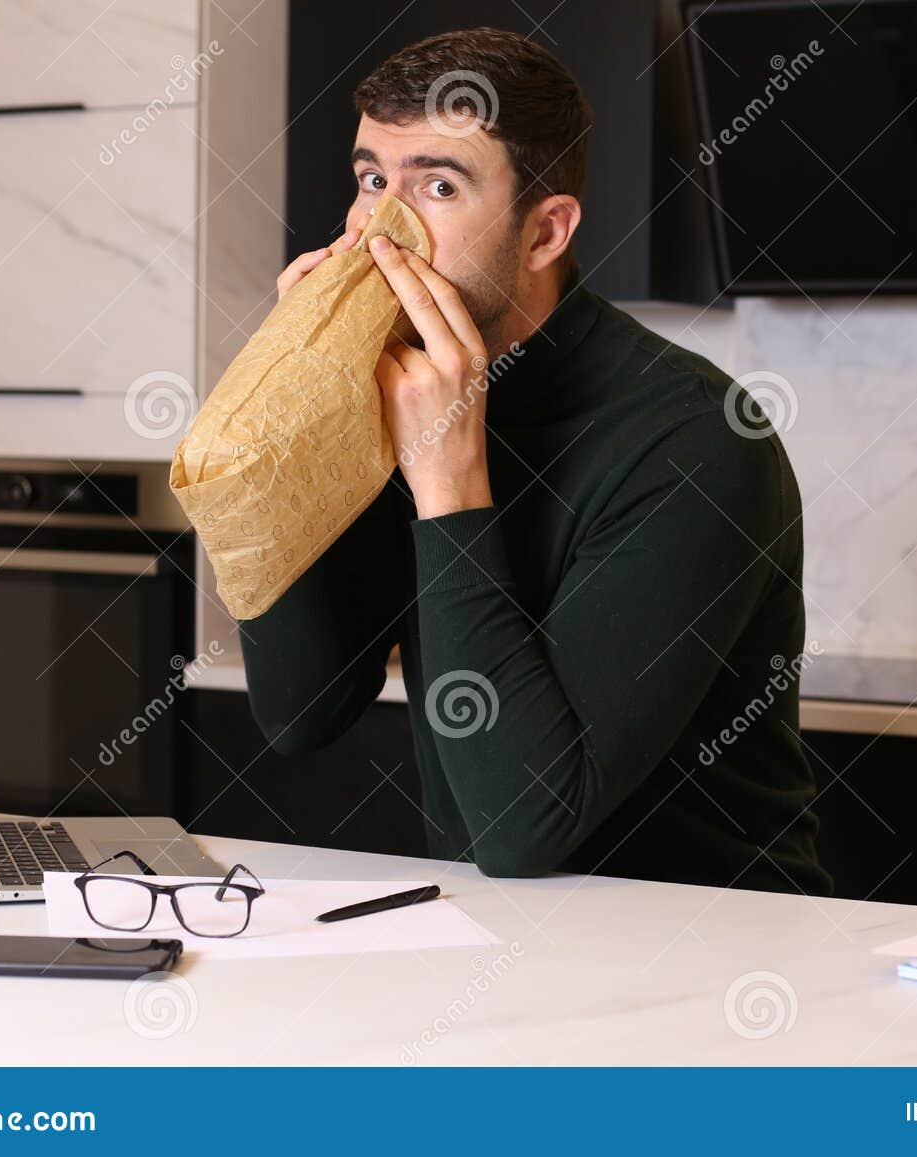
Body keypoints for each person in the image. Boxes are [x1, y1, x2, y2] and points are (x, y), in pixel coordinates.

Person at [241, 27, 830, 895]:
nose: (378, 233)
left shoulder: (699, 439)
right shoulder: (392, 392)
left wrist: (446, 478)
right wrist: (300, 418)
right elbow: (303, 710)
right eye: (372, 181)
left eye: (437, 185)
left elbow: (525, 826)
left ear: (546, 232)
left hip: (715, 958)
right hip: (504, 952)